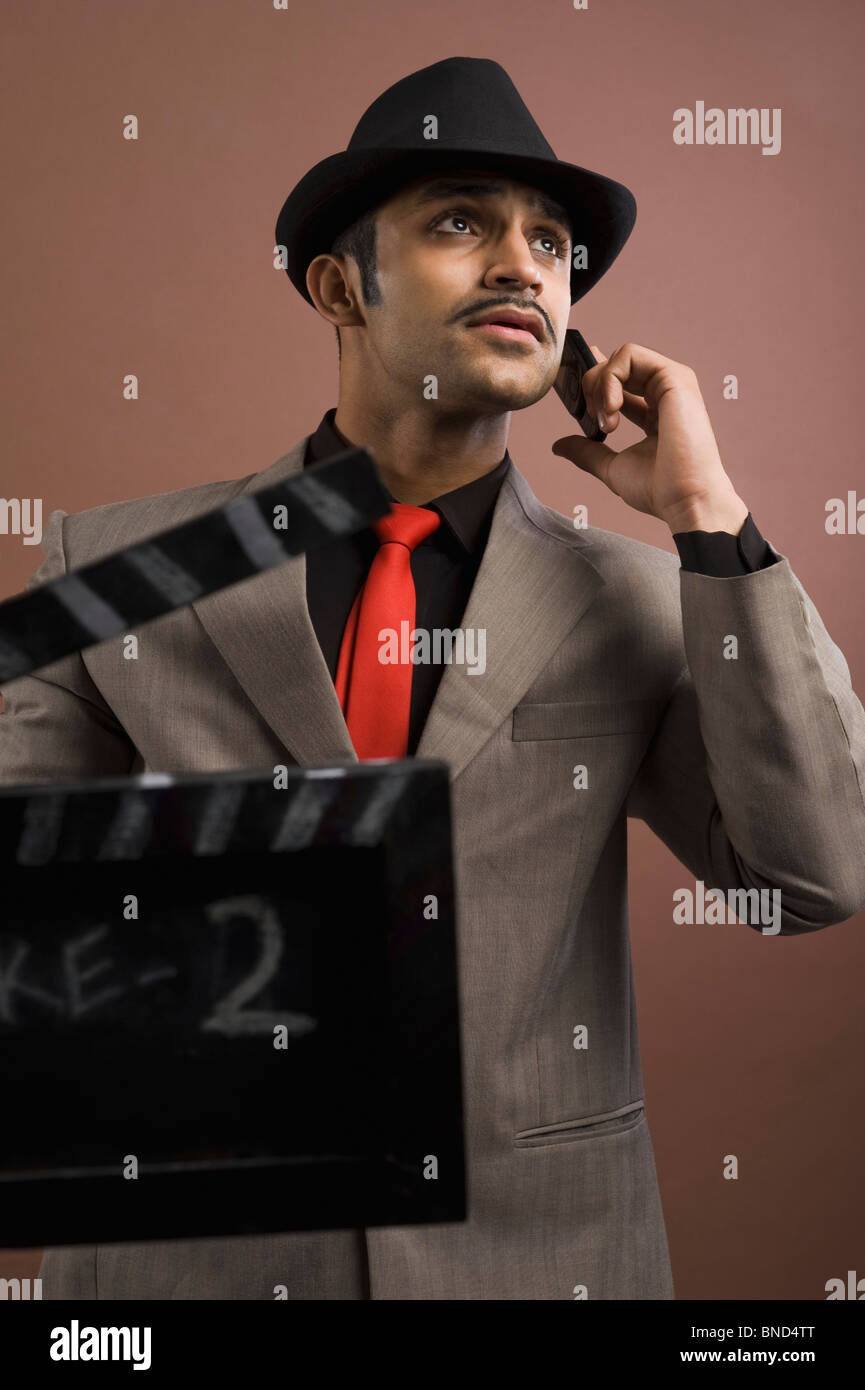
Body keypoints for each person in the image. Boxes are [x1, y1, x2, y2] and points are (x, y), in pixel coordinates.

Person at [2, 56, 864, 1300]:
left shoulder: (641, 594)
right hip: (198, 1270)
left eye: (553, 244)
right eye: (461, 221)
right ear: (340, 284)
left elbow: (811, 878)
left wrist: (708, 517)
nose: (524, 263)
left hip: (540, 1259)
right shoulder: (122, 568)